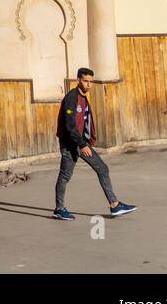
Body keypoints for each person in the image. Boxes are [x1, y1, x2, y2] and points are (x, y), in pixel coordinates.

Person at [54, 68, 137, 220]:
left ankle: (114, 204)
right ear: (78, 80)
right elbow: (69, 125)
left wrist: (85, 141)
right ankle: (60, 208)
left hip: (79, 143)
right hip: (72, 144)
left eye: (91, 82)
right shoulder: (72, 98)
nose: (89, 85)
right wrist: (82, 145)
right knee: (66, 175)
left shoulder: (83, 97)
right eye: (86, 81)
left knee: (101, 169)